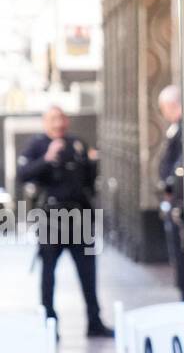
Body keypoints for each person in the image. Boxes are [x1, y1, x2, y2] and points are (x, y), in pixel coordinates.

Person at [17, 106, 114, 340]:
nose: (58, 123)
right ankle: (49, 325)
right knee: (48, 274)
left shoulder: (76, 144)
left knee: (88, 272)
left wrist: (93, 163)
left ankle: (94, 322)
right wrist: (47, 158)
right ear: (45, 122)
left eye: (61, 118)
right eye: (53, 119)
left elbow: (89, 182)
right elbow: (23, 174)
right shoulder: (37, 145)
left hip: (79, 217)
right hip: (51, 219)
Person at [156, 85, 184, 300]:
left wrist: (170, 187)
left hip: (180, 202)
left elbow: (179, 167)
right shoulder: (177, 127)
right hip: (173, 201)